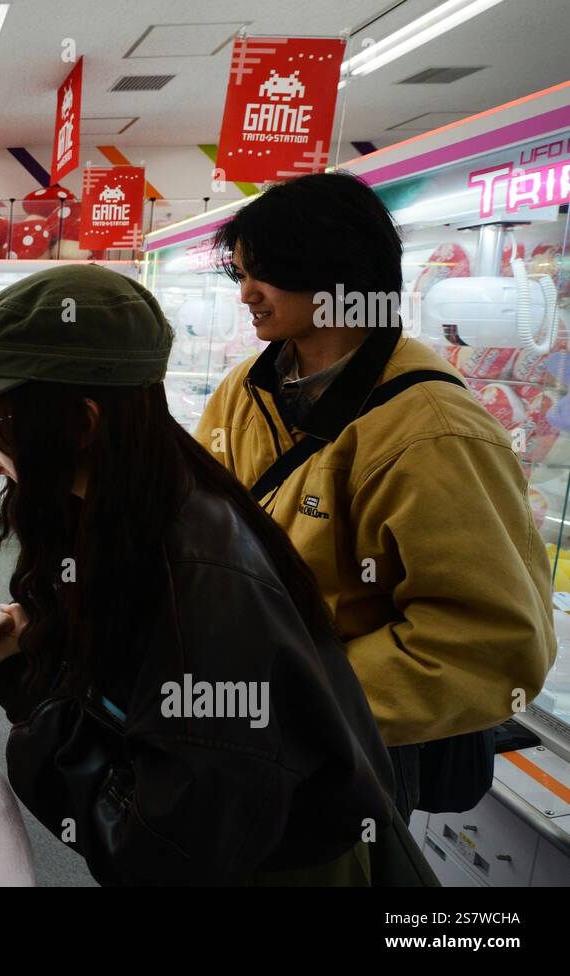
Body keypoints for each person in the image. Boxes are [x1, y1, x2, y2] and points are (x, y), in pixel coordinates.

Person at [0, 264, 433, 885]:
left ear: (82, 423)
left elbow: (160, 850)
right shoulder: (138, 511)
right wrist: (39, 631)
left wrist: (24, 685)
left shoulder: (195, 579)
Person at [194, 172, 555, 818]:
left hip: (351, 747)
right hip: (246, 715)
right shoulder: (245, 389)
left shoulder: (432, 431)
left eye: (266, 273)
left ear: (337, 276)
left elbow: (488, 639)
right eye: (241, 273)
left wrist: (299, 699)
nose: (246, 292)